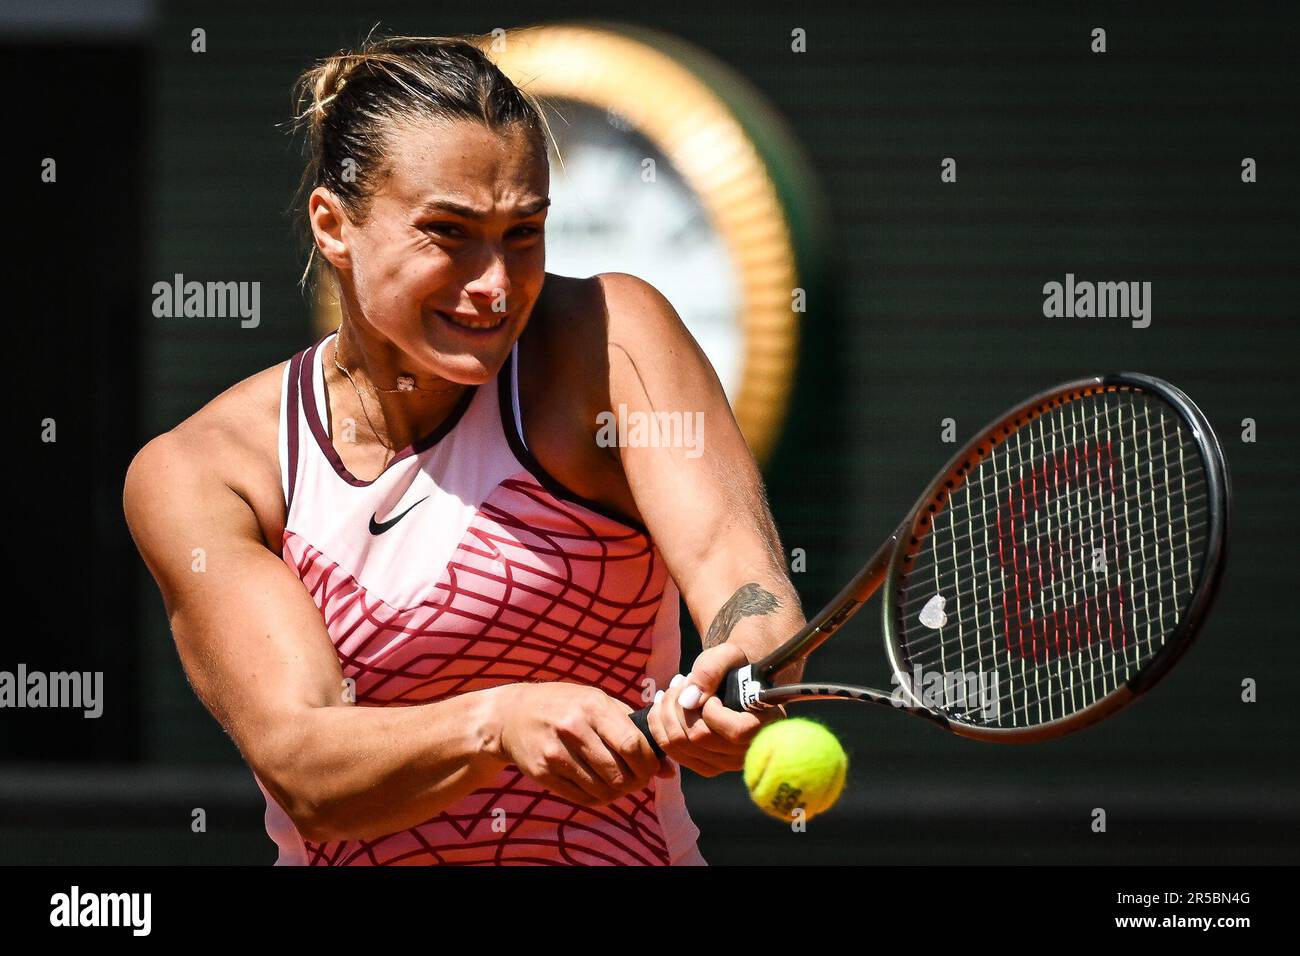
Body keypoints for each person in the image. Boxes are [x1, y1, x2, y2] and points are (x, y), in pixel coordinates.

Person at [124, 33, 804, 865]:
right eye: (449, 233)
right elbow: (304, 766)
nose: (495, 284)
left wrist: (746, 673)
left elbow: (744, 580)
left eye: (524, 232)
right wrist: (497, 723)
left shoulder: (613, 342)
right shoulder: (205, 471)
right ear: (334, 226)